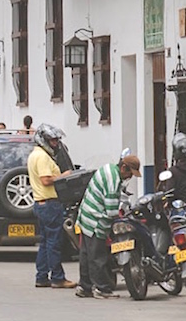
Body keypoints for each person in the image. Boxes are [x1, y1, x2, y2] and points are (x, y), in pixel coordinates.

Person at [75, 152, 141, 299]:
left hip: (86, 216)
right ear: (124, 167)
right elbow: (112, 212)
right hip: (95, 220)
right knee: (97, 256)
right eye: (130, 173)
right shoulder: (114, 181)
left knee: (86, 254)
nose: (129, 177)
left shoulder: (109, 168)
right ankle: (101, 289)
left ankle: (84, 287)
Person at [27, 123, 76, 289]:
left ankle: (41, 276)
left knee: (46, 242)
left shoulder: (38, 155)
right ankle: (57, 277)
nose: (55, 144)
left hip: (42, 204)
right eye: (52, 141)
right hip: (49, 204)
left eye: (56, 140)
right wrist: (64, 176)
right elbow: (46, 180)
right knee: (54, 243)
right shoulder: (42, 157)